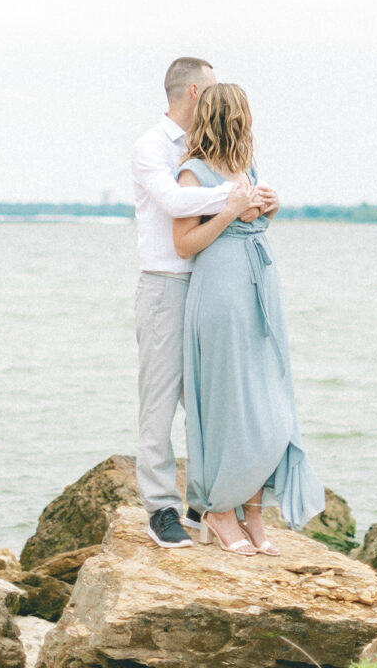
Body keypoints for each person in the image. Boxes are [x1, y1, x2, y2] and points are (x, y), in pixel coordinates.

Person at [173, 82, 324, 556]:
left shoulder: (246, 168)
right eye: (243, 116)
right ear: (229, 118)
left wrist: (266, 210)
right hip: (219, 294)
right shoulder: (191, 174)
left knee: (267, 400)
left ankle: (253, 511)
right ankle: (219, 510)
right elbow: (186, 245)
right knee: (228, 402)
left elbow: (248, 226)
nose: (248, 124)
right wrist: (231, 209)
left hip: (259, 291)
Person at [131, 56, 261, 548]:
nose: (218, 93)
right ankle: (160, 507)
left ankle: (203, 500)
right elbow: (173, 204)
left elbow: (228, 201)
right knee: (160, 401)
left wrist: (256, 199)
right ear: (193, 93)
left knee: (207, 400)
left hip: (209, 284)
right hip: (166, 285)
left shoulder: (203, 149)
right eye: (211, 87)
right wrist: (234, 197)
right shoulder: (151, 147)